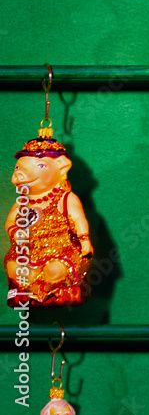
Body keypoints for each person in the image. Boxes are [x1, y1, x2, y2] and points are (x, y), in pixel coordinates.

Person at [4, 131, 91, 307]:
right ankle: (32, 293)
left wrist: (84, 240)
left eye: (41, 165)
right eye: (18, 168)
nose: (20, 174)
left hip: (60, 250)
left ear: (61, 167)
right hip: (27, 250)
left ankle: (52, 291)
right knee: (14, 268)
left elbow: (78, 219)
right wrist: (15, 232)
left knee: (54, 270)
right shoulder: (22, 202)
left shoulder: (65, 198)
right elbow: (10, 222)